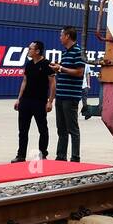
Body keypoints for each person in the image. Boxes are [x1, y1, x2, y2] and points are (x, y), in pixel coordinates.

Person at [12, 40, 54, 162]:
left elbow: (52, 84)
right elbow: (24, 81)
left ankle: (42, 155)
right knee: (23, 130)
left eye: (30, 48)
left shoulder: (47, 64)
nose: (28, 50)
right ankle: (21, 155)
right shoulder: (29, 64)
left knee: (42, 129)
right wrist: (19, 99)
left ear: (37, 51)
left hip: (39, 102)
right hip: (26, 101)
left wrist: (50, 101)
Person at [50, 26, 85, 162]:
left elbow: (79, 72)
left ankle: (75, 157)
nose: (60, 37)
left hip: (70, 97)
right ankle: (61, 157)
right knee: (61, 129)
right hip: (61, 95)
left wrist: (61, 68)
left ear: (68, 36)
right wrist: (57, 68)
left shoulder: (78, 52)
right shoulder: (65, 53)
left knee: (73, 129)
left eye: (61, 35)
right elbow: (65, 70)